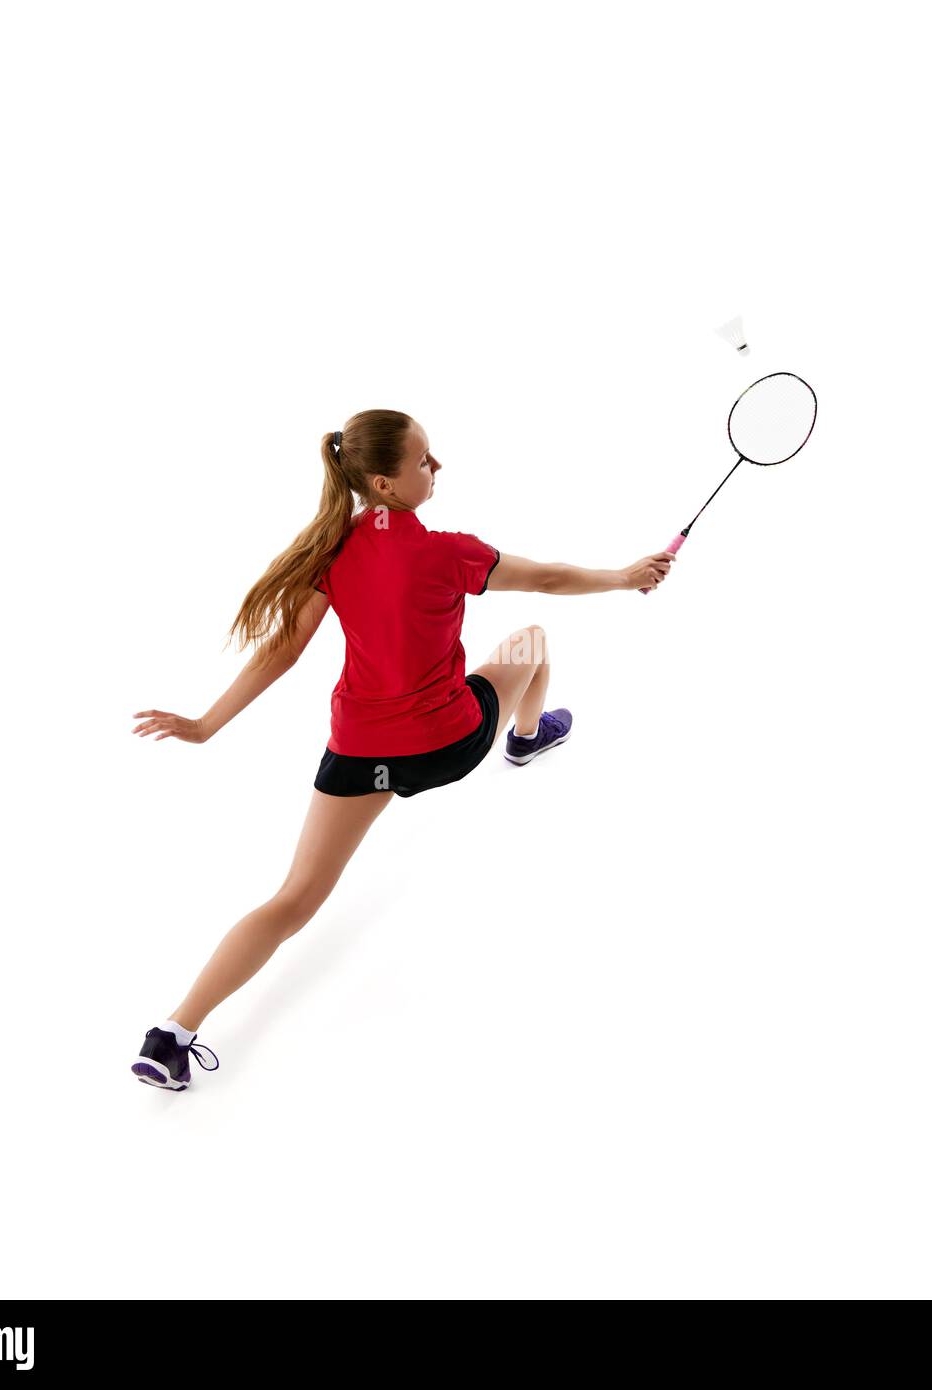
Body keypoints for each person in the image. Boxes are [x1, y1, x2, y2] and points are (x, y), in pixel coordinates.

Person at [130, 408, 675, 1090]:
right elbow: (550, 581)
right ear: (385, 484)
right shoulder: (448, 550)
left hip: (358, 757)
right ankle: (527, 737)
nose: (436, 467)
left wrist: (208, 724)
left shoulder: (331, 550)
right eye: (424, 461)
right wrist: (625, 577)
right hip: (447, 745)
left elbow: (283, 652)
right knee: (532, 637)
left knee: (293, 900)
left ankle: (172, 1035)